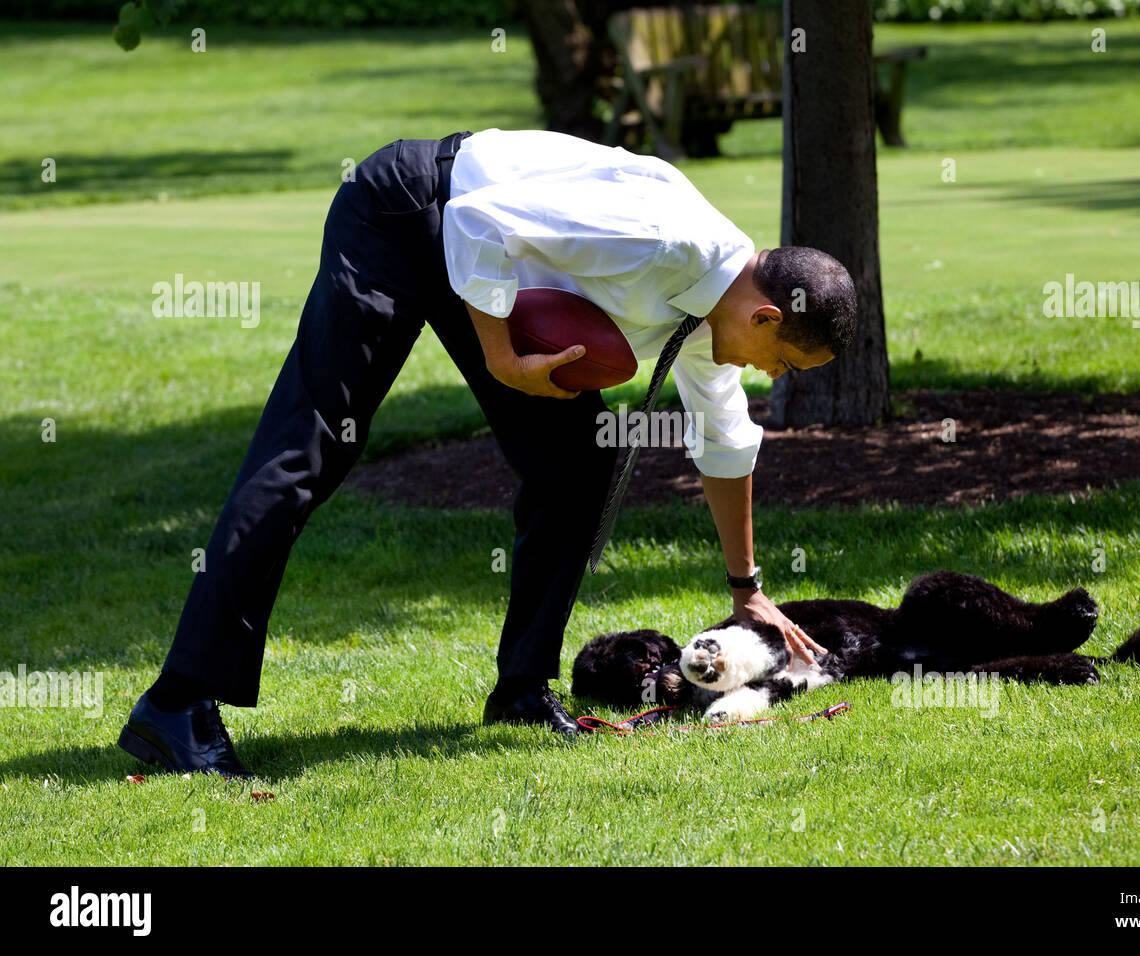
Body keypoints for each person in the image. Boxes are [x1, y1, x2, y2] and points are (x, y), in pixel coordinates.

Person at [117, 128, 858, 776]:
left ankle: (522, 693)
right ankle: (176, 704)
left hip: (486, 264)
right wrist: (502, 358)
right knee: (309, 451)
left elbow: (725, 442)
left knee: (579, 466)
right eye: (784, 362)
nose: (774, 376)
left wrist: (746, 588)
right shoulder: (665, 240)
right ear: (764, 316)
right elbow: (475, 222)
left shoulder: (715, 318)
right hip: (407, 207)